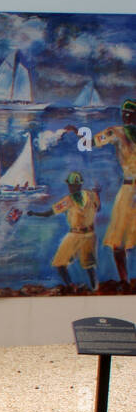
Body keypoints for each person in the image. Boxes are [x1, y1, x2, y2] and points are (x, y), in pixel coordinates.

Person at [27, 171, 101, 291]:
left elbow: (98, 207)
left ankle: (94, 289)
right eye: (71, 186)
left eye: (73, 185)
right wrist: (35, 213)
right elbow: (50, 212)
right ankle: (72, 287)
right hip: (76, 234)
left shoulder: (90, 195)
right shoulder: (70, 200)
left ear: (79, 185)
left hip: (87, 235)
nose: (72, 188)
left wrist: (97, 194)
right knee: (60, 263)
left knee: (88, 265)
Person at [92, 100, 136, 288]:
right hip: (129, 190)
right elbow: (95, 141)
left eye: (130, 114)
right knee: (118, 239)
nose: (126, 117)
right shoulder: (117, 132)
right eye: (124, 114)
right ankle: (124, 280)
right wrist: (77, 134)